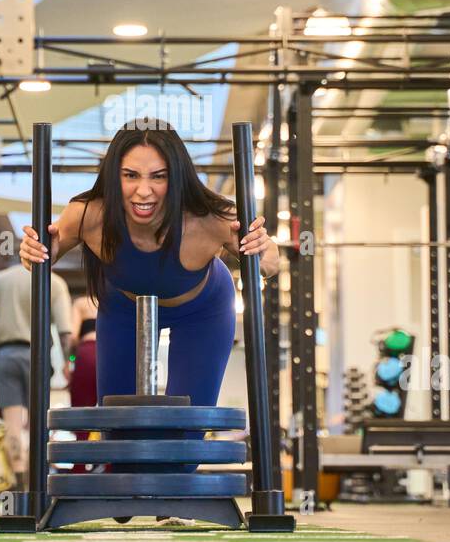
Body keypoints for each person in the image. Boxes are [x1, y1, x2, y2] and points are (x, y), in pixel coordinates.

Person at [19, 118, 280, 410]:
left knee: (186, 428)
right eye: (131, 175)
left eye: (159, 176)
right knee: (118, 427)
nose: (144, 191)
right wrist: (34, 252)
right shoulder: (89, 214)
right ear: (113, 176)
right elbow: (42, 255)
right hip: (122, 307)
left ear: (177, 176)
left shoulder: (212, 218)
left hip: (203, 311)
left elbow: (269, 263)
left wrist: (262, 247)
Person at [0, 262, 73, 491]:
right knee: (39, 421)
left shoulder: (0, 279)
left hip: (5, 355)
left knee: (13, 425)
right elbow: (65, 332)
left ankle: (18, 485)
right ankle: (38, 483)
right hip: (37, 354)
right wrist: (68, 362)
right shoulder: (54, 282)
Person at [67, 317, 98, 474]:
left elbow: (71, 336)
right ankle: (110, 466)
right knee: (111, 411)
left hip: (85, 354)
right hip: (107, 350)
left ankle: (79, 468)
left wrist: (68, 359)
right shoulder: (112, 296)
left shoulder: (80, 304)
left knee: (81, 416)